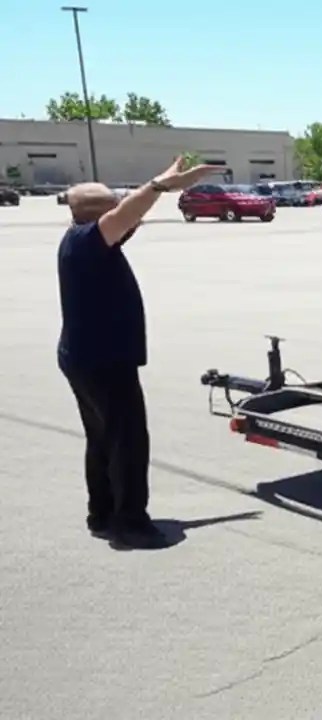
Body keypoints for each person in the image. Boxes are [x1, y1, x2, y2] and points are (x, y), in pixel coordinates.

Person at [57, 156, 220, 548]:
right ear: (103, 217)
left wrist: (158, 189)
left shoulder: (83, 241)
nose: (131, 218)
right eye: (117, 210)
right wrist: (162, 185)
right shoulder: (86, 242)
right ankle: (130, 522)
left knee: (102, 439)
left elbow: (129, 211)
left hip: (86, 357)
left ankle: (102, 513)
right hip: (103, 362)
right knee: (128, 441)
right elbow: (126, 213)